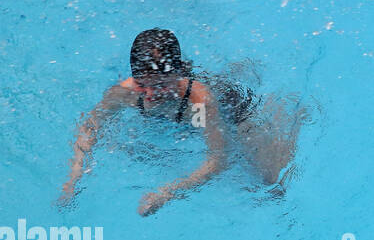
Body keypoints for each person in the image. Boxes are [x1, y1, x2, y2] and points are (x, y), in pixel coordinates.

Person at [57, 29, 303, 216]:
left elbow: (218, 159)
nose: (151, 95)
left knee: (273, 184)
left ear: (179, 74)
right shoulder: (123, 93)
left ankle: (291, 109)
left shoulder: (201, 100)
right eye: (143, 85)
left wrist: (169, 191)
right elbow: (90, 127)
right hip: (185, 116)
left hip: (234, 108)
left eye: (161, 86)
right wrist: (73, 177)